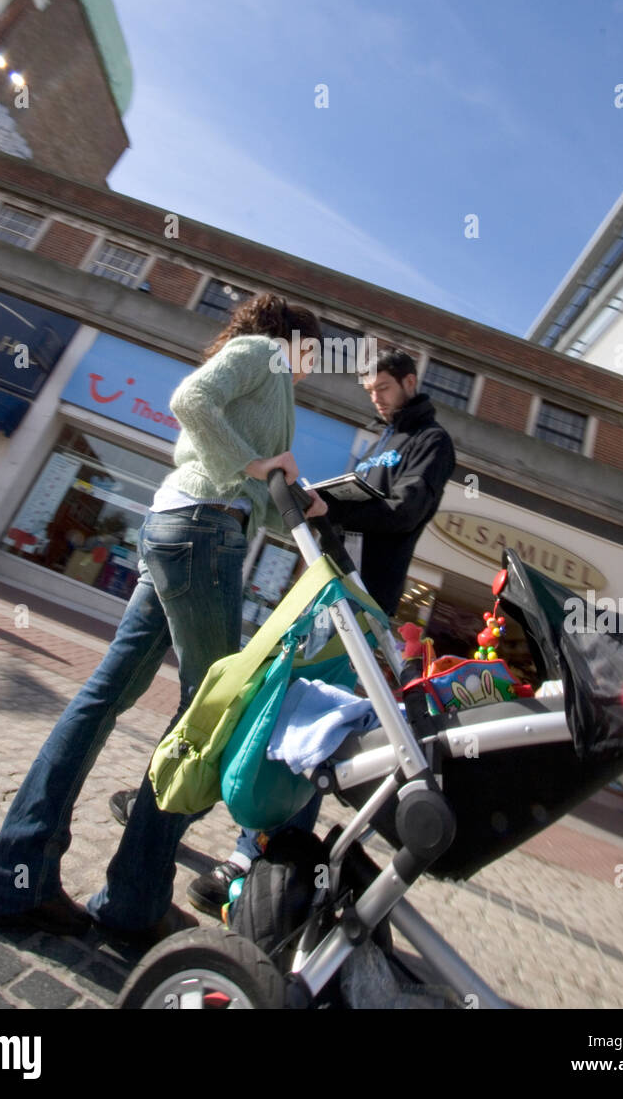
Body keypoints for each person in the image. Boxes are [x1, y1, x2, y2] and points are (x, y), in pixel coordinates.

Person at [0, 293, 326, 943]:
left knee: (106, 694)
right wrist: (256, 465)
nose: (310, 368)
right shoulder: (263, 355)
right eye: (313, 355)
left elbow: (256, 496)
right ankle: (133, 902)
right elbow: (191, 400)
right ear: (295, 340)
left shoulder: (271, 388)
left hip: (184, 527)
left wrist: (306, 504)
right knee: (208, 714)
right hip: (203, 532)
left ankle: (15, 876)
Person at [182, 344, 457, 915]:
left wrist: (333, 510)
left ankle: (255, 865)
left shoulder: (431, 444)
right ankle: (270, 861)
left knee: (314, 728)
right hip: (324, 589)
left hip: (361, 603)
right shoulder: (381, 438)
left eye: (383, 389)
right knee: (293, 719)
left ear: (409, 381)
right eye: (369, 393)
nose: (376, 400)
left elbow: (403, 511)